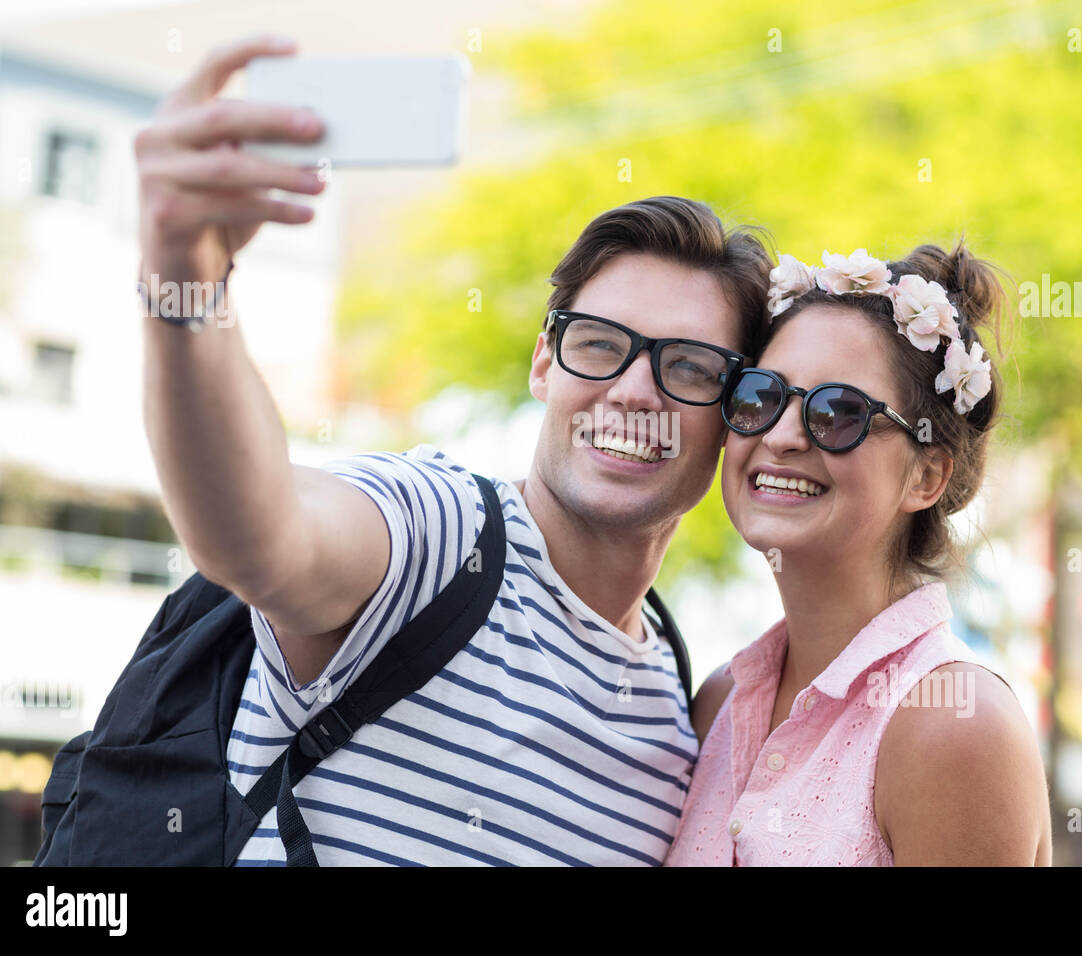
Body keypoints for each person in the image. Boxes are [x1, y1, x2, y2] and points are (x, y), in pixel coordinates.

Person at [135, 35, 774, 864]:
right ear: (545, 362)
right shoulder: (437, 533)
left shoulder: (676, 703)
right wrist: (186, 277)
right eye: (598, 343)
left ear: (736, 413)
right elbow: (258, 533)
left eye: (687, 365)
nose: (633, 388)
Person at [666, 242, 1053, 865]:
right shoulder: (719, 701)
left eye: (839, 411)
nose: (781, 435)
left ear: (926, 477)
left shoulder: (953, 726)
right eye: (759, 395)